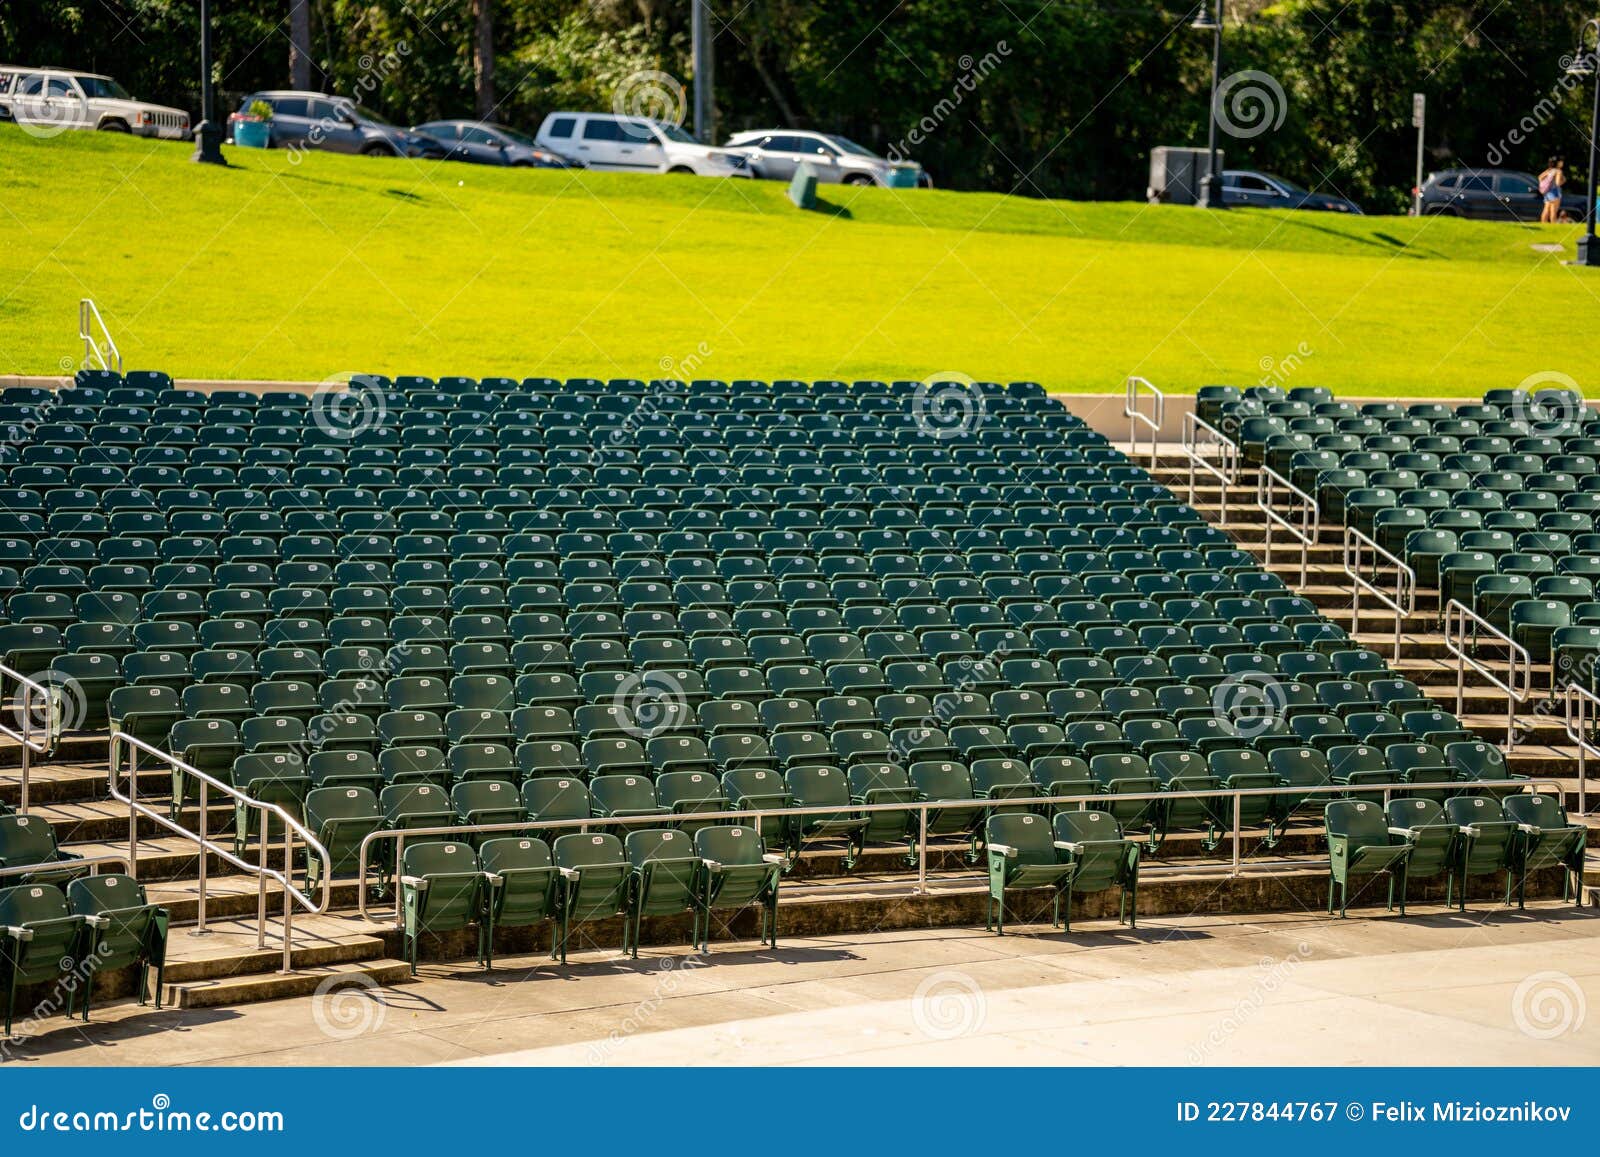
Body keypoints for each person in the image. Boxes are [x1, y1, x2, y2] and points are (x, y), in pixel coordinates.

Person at [1538, 156, 1566, 224]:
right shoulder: (1558, 171)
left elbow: (1540, 177)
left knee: (1546, 209)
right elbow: (1557, 183)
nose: (1562, 163)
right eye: (1561, 161)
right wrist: (1563, 181)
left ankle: (1543, 223)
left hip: (1547, 192)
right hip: (1554, 192)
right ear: (1558, 163)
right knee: (1553, 210)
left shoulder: (1550, 170)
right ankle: (1553, 224)